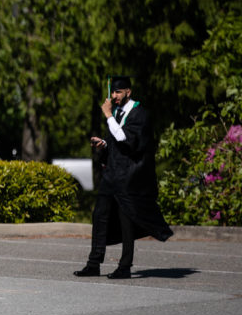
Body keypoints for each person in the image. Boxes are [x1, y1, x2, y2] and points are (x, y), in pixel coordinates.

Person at [74, 75, 173, 279]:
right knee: (99, 215)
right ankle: (93, 264)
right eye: (113, 92)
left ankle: (125, 266)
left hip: (129, 177)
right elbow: (115, 140)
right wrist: (103, 143)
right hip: (112, 174)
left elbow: (126, 140)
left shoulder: (139, 114)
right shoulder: (117, 113)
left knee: (126, 220)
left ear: (128, 92)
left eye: (118, 92)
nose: (114, 96)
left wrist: (107, 115)